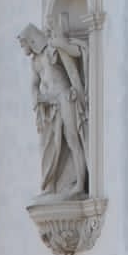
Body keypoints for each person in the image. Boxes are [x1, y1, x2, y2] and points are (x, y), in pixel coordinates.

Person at [18, 16, 88, 199]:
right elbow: (34, 84)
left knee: (72, 139)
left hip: (65, 98)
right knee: (51, 145)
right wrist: (36, 98)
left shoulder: (52, 50)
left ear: (31, 40)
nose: (22, 48)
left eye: (23, 43)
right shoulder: (35, 62)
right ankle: (51, 185)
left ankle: (80, 184)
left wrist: (79, 94)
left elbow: (72, 70)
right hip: (51, 105)